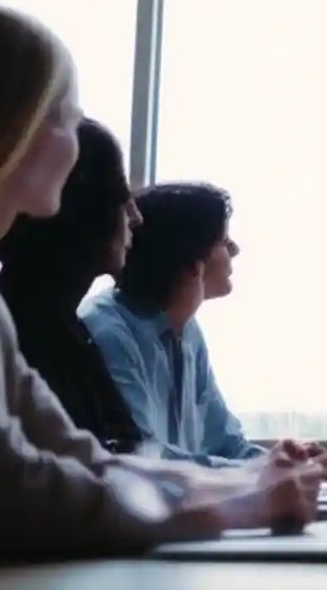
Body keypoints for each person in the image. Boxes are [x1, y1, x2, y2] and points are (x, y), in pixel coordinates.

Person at [0, 3, 327, 563]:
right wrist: (237, 505)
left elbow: (87, 459)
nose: (77, 140)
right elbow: (8, 489)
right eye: (65, 116)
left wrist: (250, 483)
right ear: (8, 132)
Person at [82, 183, 263, 467]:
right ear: (193, 262)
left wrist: (287, 463)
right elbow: (143, 456)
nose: (235, 250)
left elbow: (227, 442)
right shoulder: (107, 332)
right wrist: (263, 472)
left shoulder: (189, 332)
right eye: (224, 241)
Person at [0, 119, 144, 453]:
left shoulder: (59, 324)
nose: (135, 216)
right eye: (121, 195)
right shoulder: (17, 326)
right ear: (83, 207)